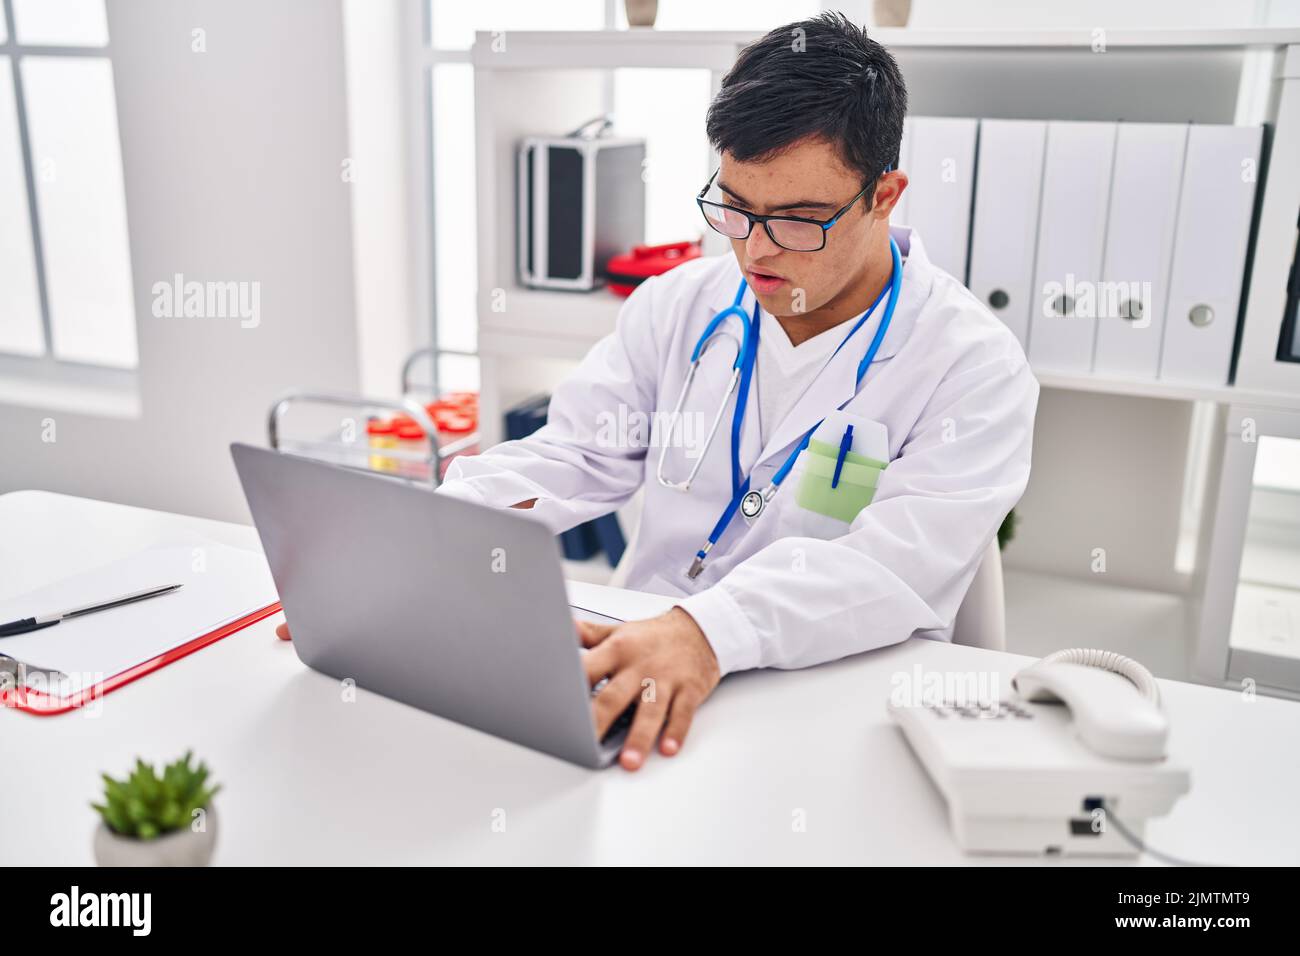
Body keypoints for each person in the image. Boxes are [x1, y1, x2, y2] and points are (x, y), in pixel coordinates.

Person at [279, 13, 1039, 772]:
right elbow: (574, 454)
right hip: (643, 651)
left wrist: (710, 631)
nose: (755, 248)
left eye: (799, 221)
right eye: (735, 207)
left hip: (833, 700)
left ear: (884, 196)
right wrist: (421, 540)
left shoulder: (972, 366)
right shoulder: (681, 307)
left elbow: (891, 567)